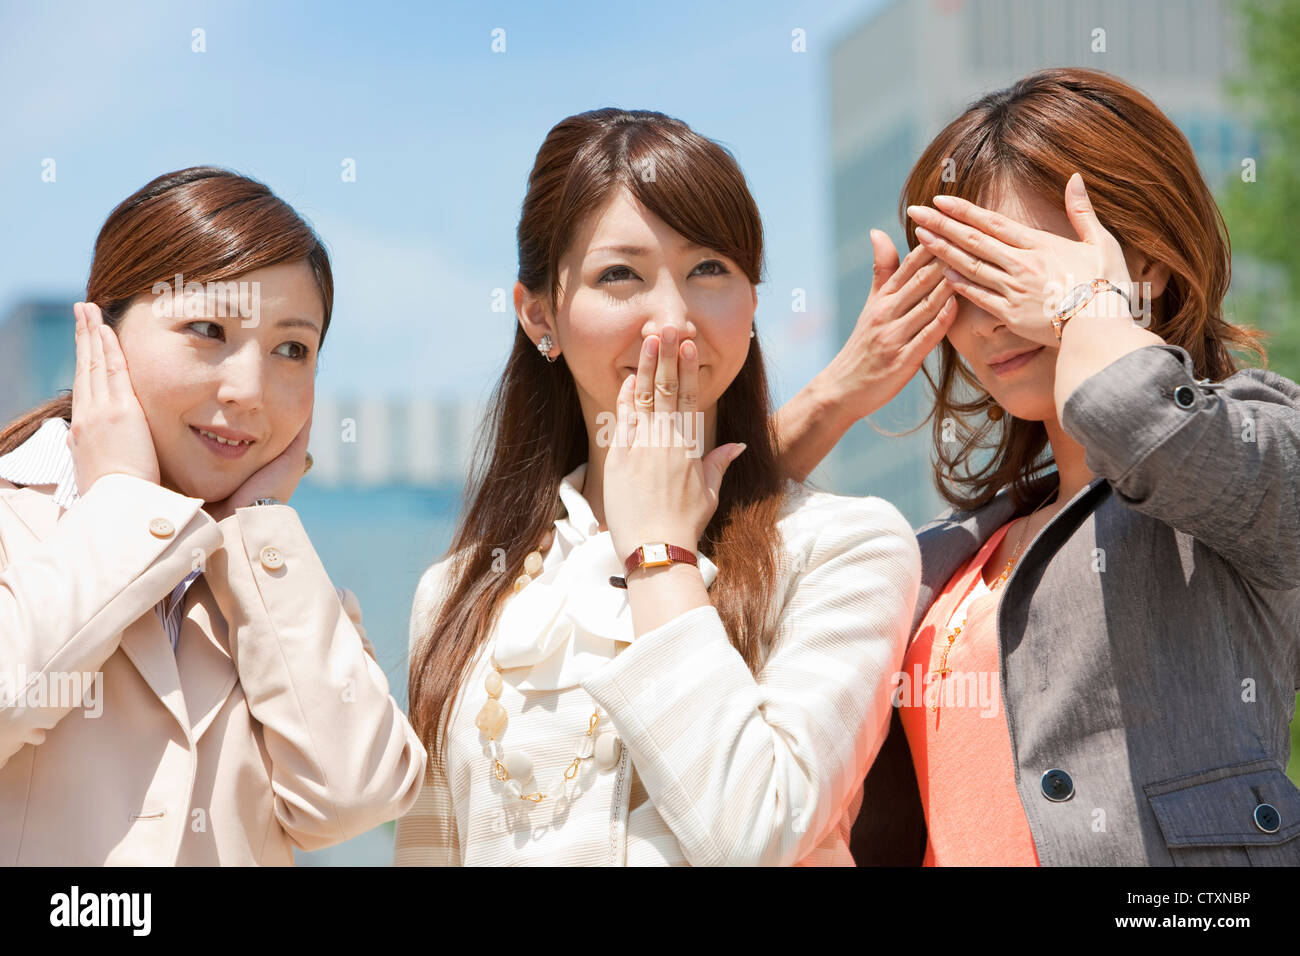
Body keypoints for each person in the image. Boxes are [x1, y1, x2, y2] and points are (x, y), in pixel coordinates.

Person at [776, 67, 1300, 865]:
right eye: (962, 280)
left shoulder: (1253, 446)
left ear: (1146, 266)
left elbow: (1150, 422)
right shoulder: (939, 555)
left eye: (1016, 267)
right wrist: (837, 393)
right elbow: (696, 558)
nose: (988, 316)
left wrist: (1090, 308)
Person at [394, 109, 942, 866]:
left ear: (752, 304)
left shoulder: (844, 548)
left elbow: (756, 831)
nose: (673, 319)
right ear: (539, 315)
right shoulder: (454, 594)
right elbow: (428, 852)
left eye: (709, 270)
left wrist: (659, 553)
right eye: (619, 275)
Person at [0, 167, 426, 865]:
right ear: (100, 333)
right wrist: (123, 510)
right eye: (208, 329)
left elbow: (354, 801)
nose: (250, 391)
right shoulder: (12, 518)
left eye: (293, 349)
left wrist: (257, 523)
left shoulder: (276, 574)